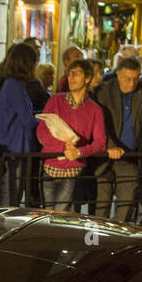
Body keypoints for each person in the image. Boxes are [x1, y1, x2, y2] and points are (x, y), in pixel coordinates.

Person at [93, 57, 142, 223]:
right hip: (105, 155)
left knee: (127, 203)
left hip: (130, 155)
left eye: (135, 78)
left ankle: (115, 237)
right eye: (127, 79)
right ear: (117, 74)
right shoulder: (104, 90)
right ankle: (96, 240)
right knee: (101, 204)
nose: (132, 83)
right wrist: (110, 146)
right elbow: (100, 122)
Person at [36, 57, 106, 211]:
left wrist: (80, 151)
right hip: (50, 164)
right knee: (48, 214)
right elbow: (41, 130)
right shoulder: (55, 101)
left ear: (87, 78)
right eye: (70, 73)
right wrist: (62, 145)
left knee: (60, 213)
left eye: (76, 73)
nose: (71, 77)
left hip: (73, 168)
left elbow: (100, 142)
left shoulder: (95, 110)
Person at [0, 42, 43, 205]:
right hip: (15, 148)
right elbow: (27, 119)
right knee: (12, 195)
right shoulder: (14, 85)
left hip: (14, 147)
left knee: (13, 193)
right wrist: (46, 119)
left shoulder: (12, 84)